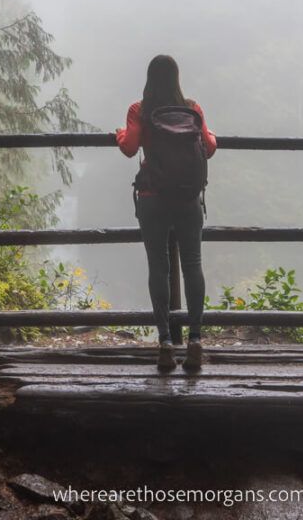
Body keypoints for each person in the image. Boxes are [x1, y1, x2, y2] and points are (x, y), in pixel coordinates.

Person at [116, 55, 217, 372]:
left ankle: (164, 344)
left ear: (149, 78)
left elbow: (130, 147)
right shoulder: (192, 108)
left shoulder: (139, 110)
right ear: (177, 78)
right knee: (193, 264)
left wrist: (120, 134)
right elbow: (210, 146)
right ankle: (196, 341)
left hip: (153, 197)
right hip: (187, 197)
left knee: (158, 267)